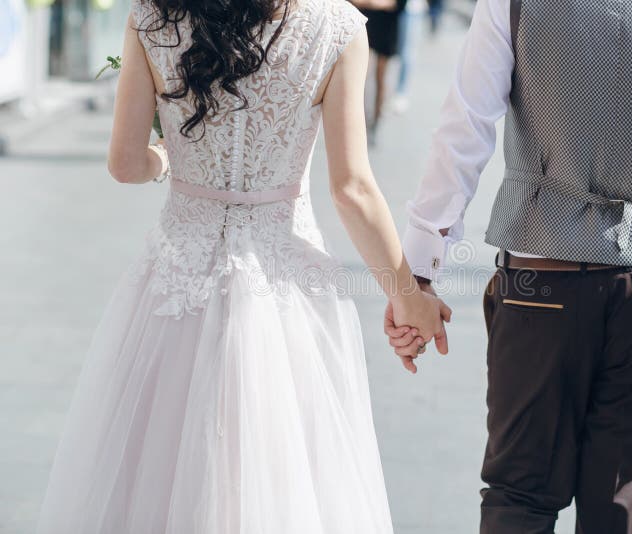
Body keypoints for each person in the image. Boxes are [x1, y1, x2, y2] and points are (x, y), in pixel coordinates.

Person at [34, 0, 449, 531]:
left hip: (177, 278)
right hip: (281, 283)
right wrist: (407, 295)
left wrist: (167, 153)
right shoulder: (339, 27)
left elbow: (125, 163)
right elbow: (352, 190)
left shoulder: (154, 16)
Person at [385, 0, 632, 533]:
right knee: (617, 509)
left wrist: (419, 273)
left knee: (519, 497)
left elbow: (464, 129)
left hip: (542, 276)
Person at [352, 0, 408, 143]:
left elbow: (399, 4)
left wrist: (371, 3)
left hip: (387, 26)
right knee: (361, 76)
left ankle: (375, 122)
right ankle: (359, 122)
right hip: (366, 23)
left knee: (380, 78)